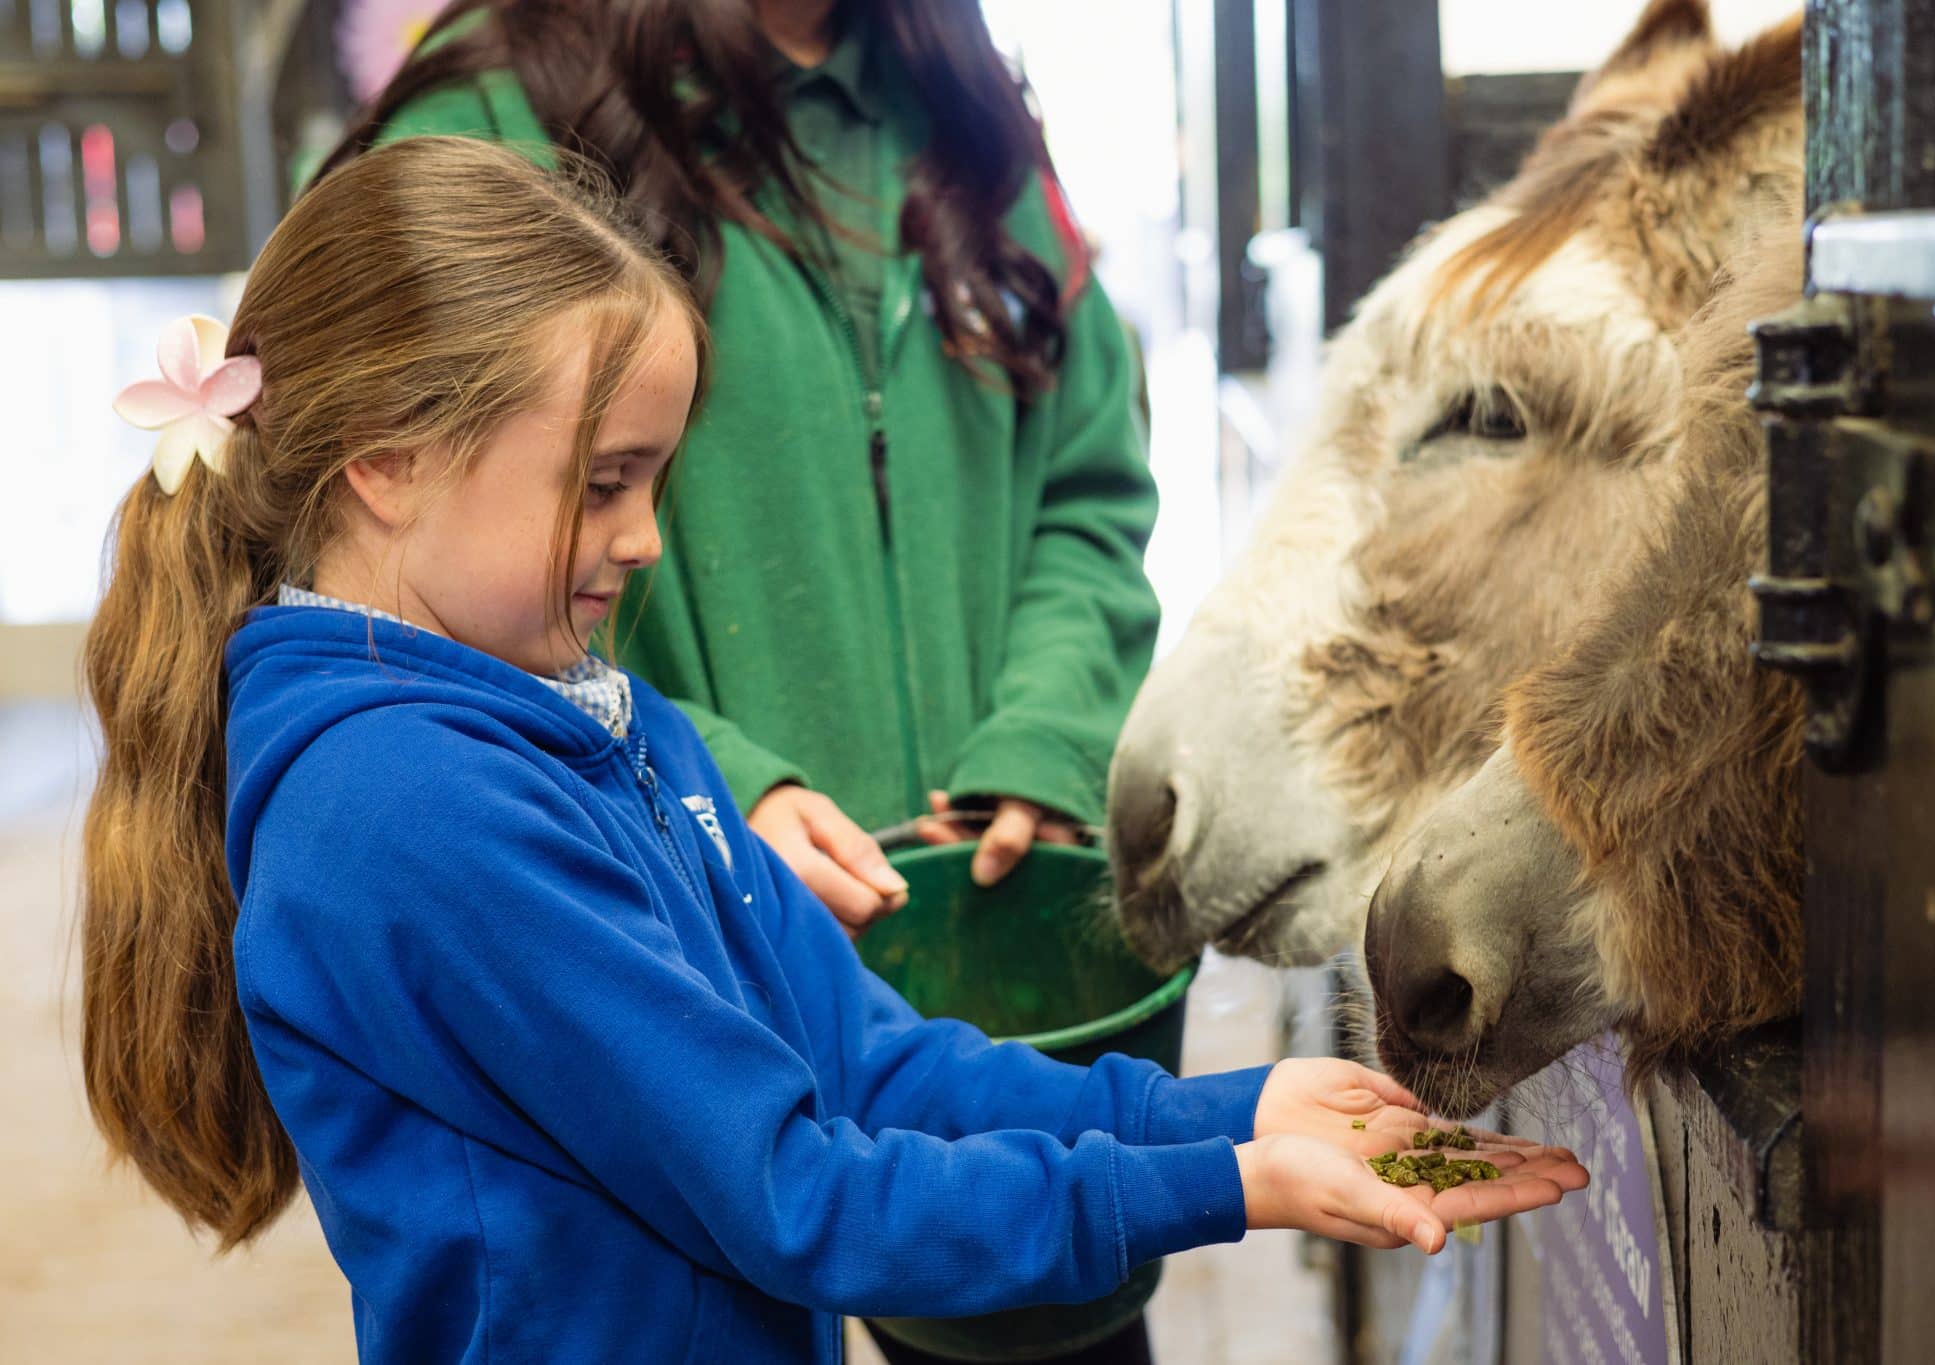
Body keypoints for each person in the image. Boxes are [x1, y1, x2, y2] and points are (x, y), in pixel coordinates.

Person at [78, 139, 1585, 1365]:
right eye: (602, 483)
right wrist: (1222, 1185)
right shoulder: (407, 814)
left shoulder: (600, 718)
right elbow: (795, 1191)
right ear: (389, 461)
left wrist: (1231, 1110)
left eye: (653, 479)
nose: (644, 538)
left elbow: (869, 1061)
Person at [318, 0, 1161, 938]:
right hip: (672, 955)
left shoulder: (973, 118)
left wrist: (1046, 738)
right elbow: (389, 586)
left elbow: (1087, 494)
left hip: (1001, 951)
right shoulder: (486, 123)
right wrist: (708, 790)